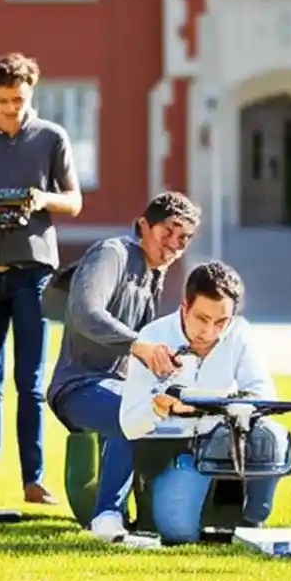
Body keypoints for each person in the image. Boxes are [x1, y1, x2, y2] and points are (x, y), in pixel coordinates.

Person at [0, 52, 83, 507]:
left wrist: (40, 199)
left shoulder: (52, 138)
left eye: (19, 100)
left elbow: (74, 202)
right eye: (4, 100)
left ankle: (34, 482)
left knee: (31, 380)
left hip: (34, 273)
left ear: (31, 93)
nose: (12, 108)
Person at [46, 191, 201, 543]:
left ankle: (152, 515)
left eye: (185, 239)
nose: (175, 246)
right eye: (168, 232)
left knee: (171, 412)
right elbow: (86, 313)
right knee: (133, 414)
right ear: (144, 226)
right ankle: (106, 518)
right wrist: (140, 347)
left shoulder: (153, 274)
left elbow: (140, 349)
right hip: (77, 386)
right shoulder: (111, 253)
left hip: (119, 386)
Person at [119, 261, 280, 545]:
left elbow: (264, 395)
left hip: (225, 442)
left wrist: (229, 408)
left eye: (221, 322)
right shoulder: (153, 337)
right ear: (184, 307)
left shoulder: (240, 333)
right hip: (173, 450)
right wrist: (161, 406)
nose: (210, 331)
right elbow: (130, 425)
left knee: (272, 436)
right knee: (179, 533)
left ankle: (251, 520)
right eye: (202, 318)